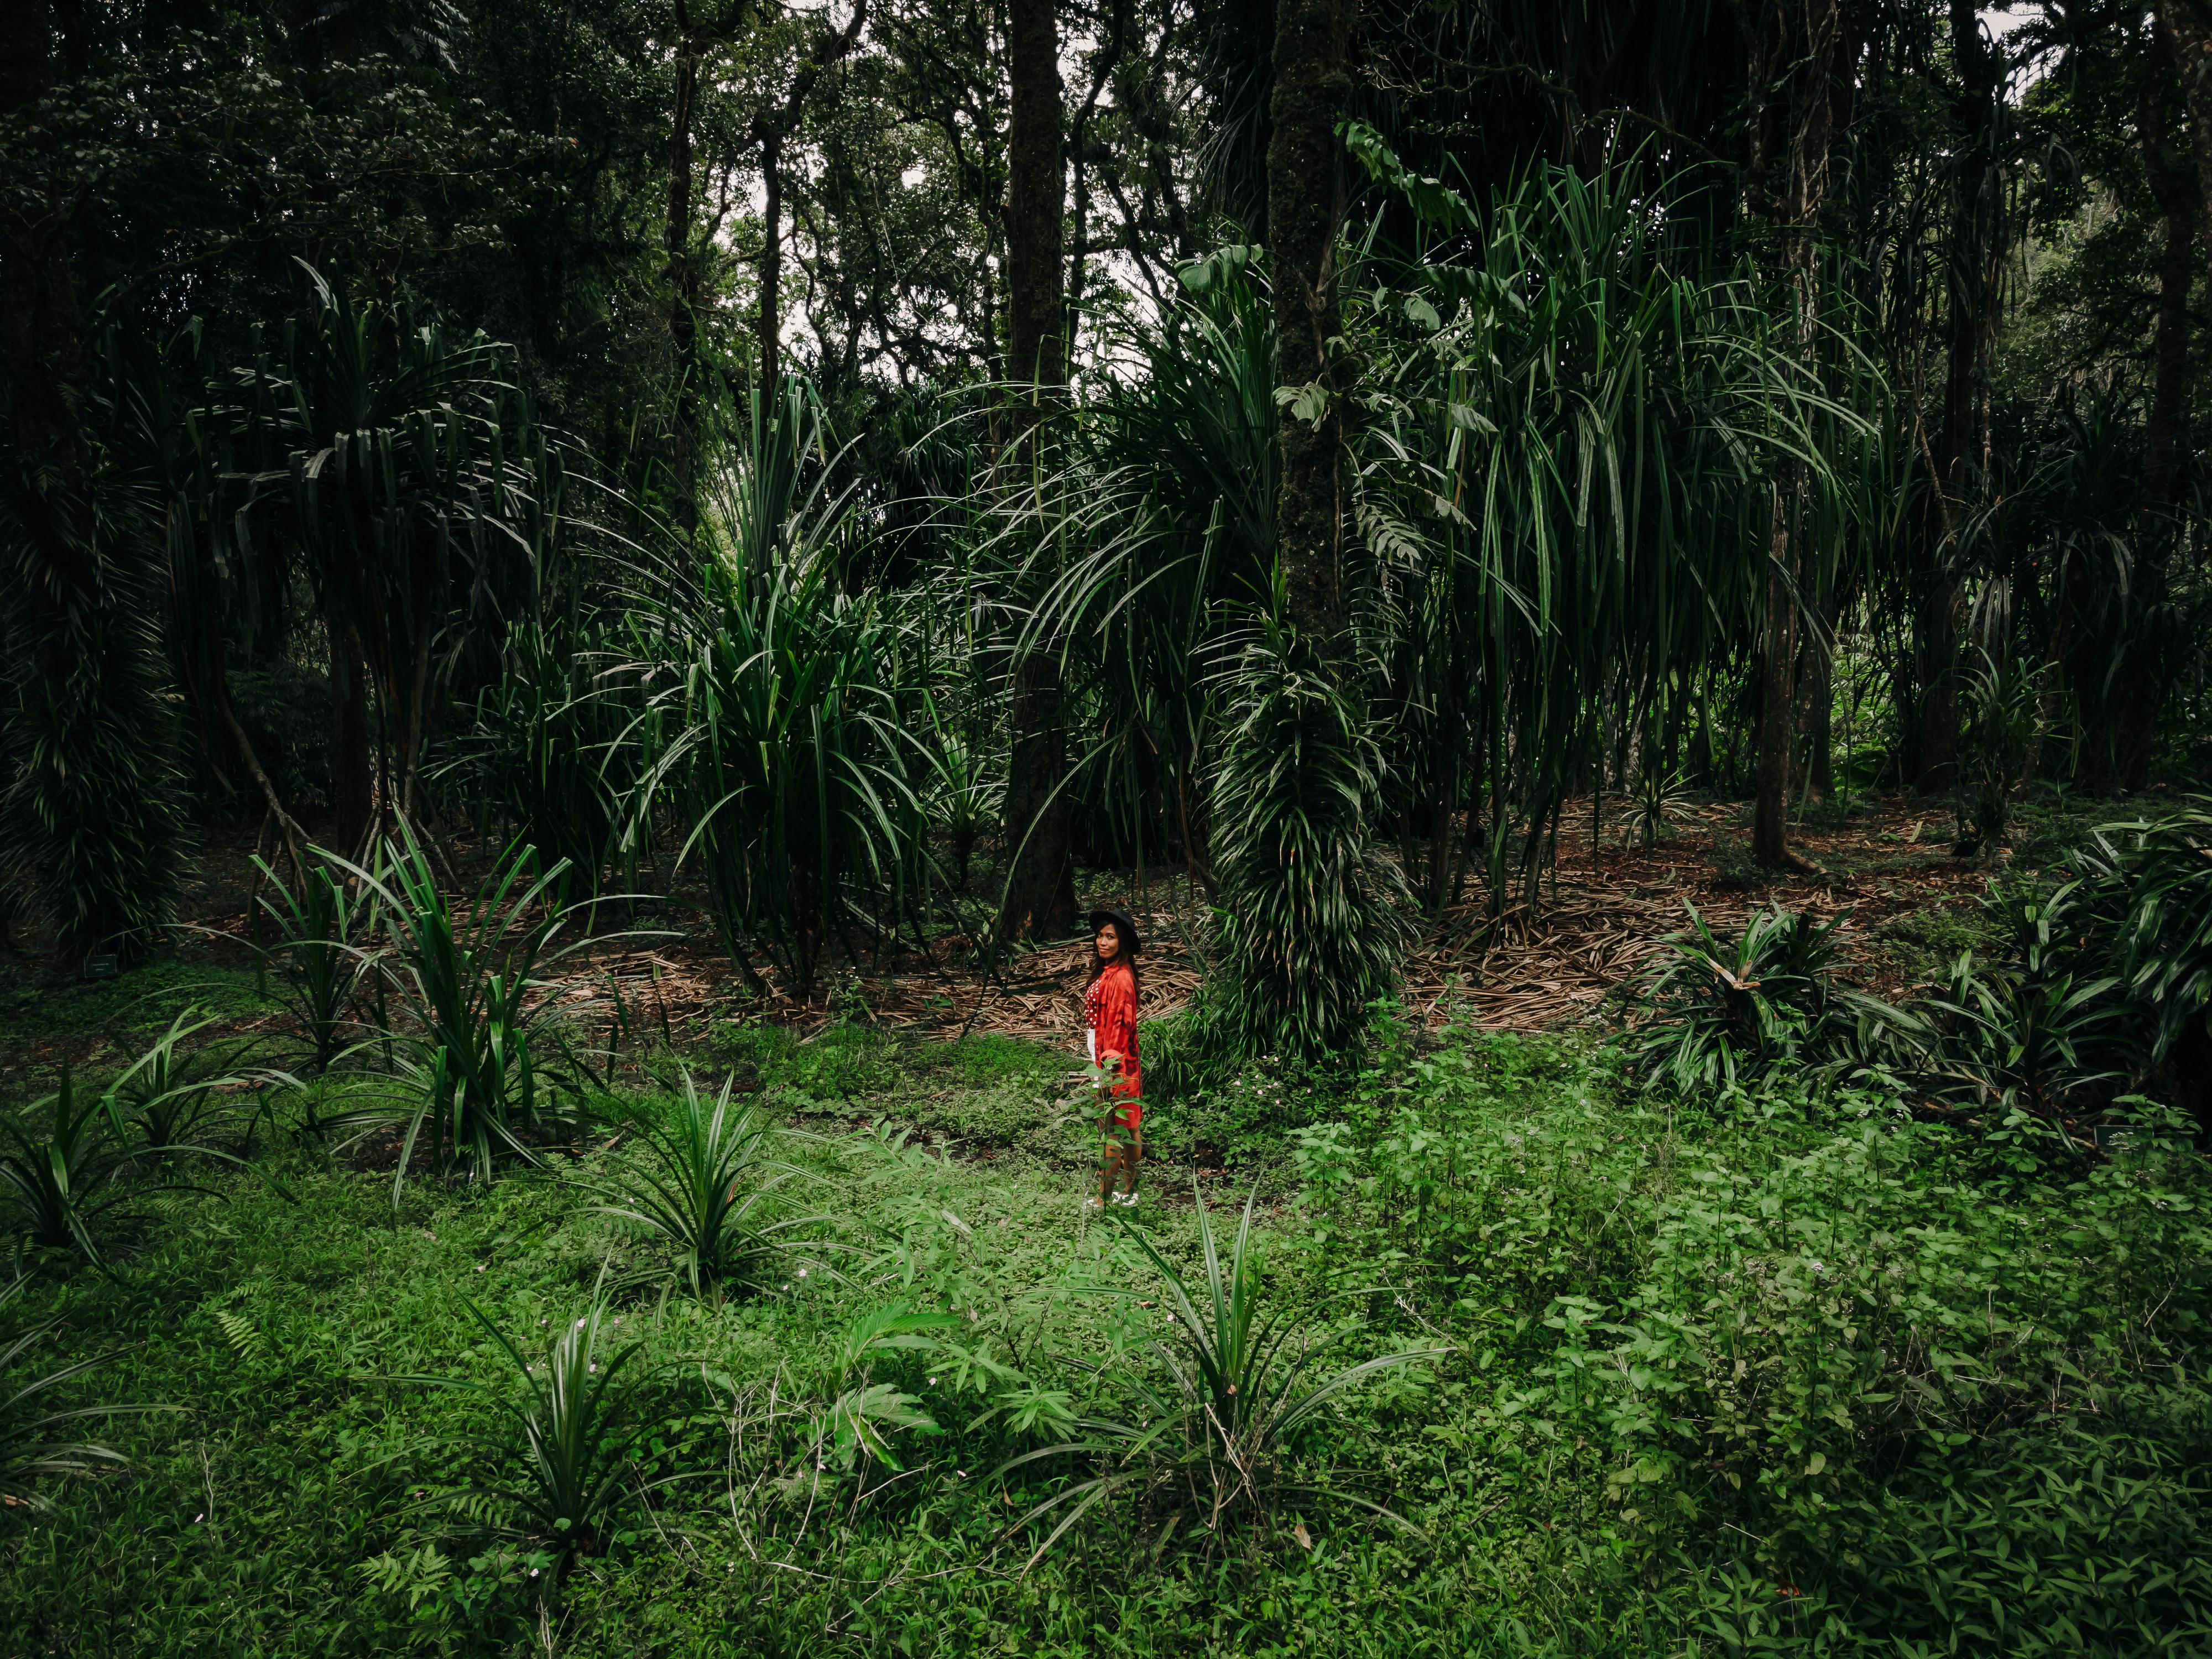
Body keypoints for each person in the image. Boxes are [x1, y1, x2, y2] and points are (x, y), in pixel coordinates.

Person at [1082, 907, 1144, 1210]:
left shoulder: (1120, 978)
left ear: (1123, 942)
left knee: (1116, 1126)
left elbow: (1121, 1025)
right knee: (1125, 1125)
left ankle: (1105, 1198)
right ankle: (1129, 1191)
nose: (1102, 942)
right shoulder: (1109, 972)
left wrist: (1109, 1070)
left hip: (1115, 1062)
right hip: (1105, 1055)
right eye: (1100, 936)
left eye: (1110, 937)